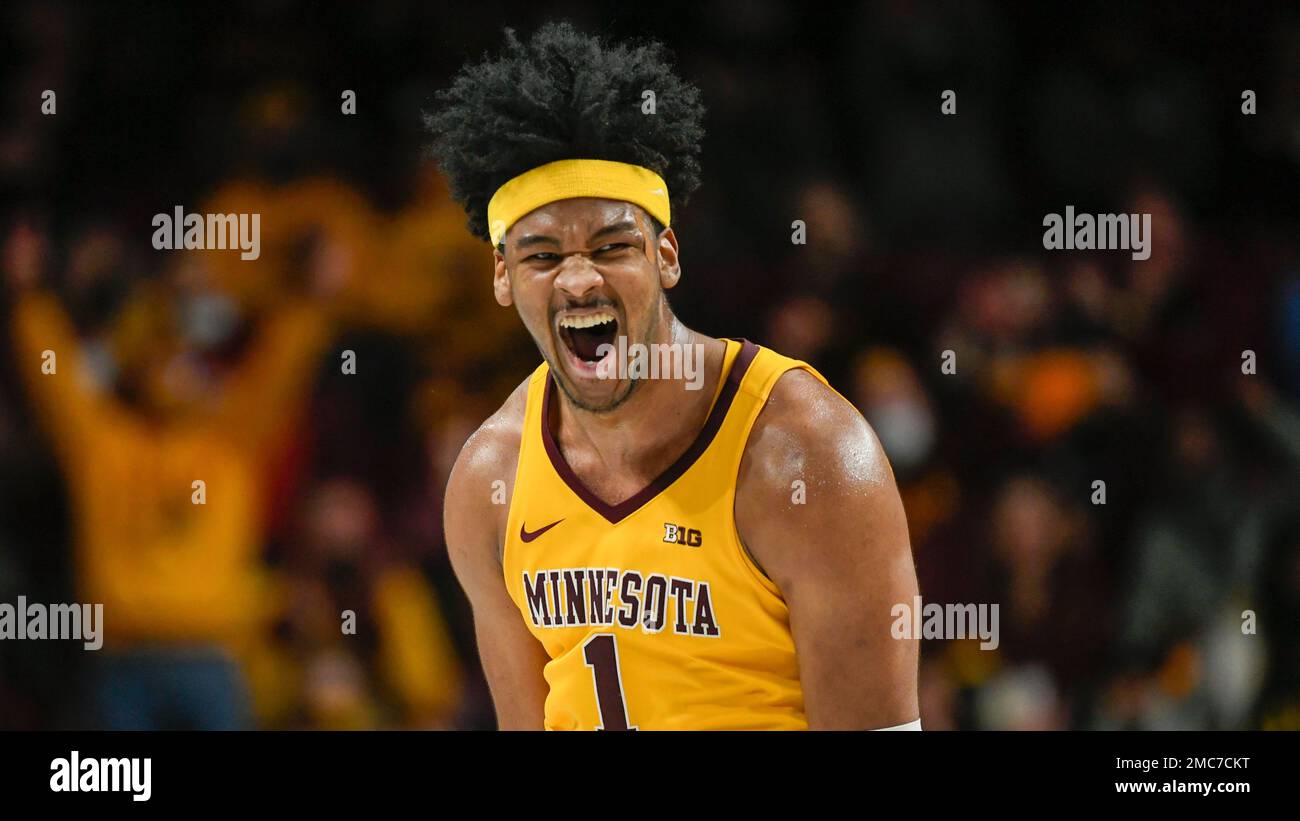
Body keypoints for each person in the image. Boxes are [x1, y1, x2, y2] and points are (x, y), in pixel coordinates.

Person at [429, 22, 919, 730]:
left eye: (612, 246)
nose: (577, 278)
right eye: (541, 256)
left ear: (666, 255)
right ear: (503, 276)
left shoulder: (804, 456)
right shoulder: (489, 483)